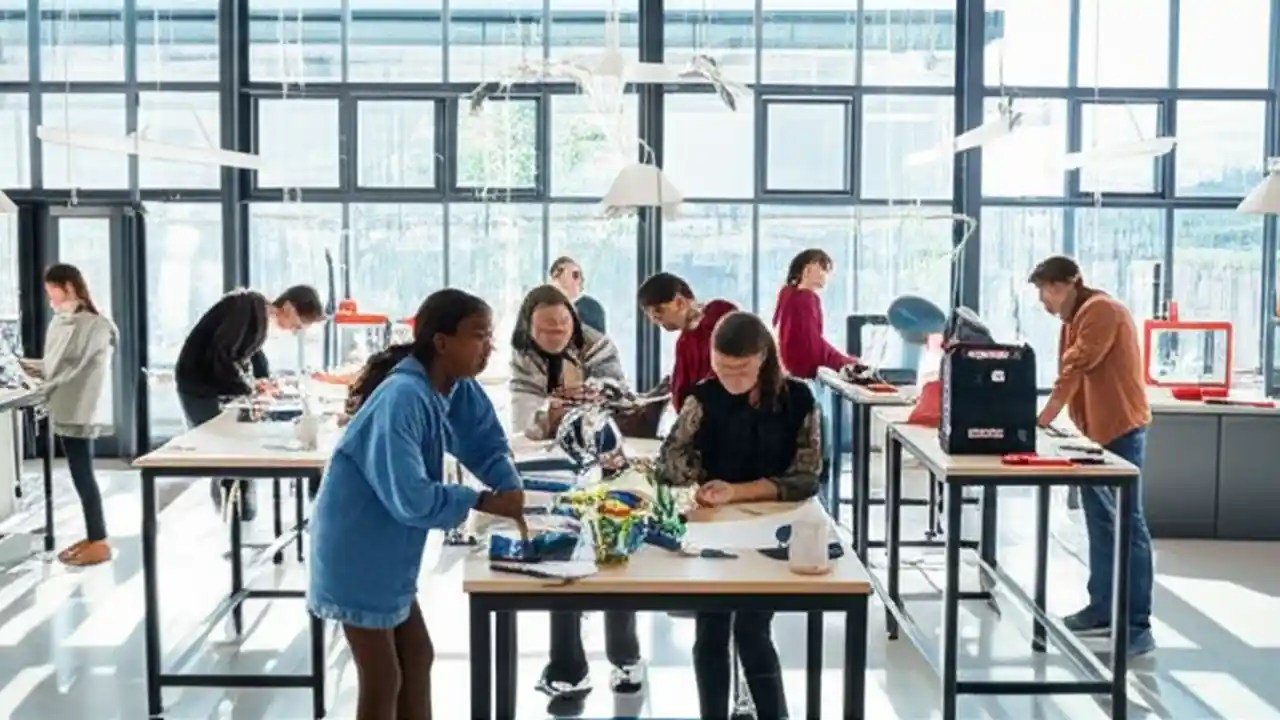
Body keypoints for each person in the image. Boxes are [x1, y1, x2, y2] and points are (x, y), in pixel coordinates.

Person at [308, 288, 527, 720]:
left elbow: (484, 440)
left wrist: (509, 485)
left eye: (490, 338)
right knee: (383, 675)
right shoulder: (402, 397)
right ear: (441, 342)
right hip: (356, 550)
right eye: (478, 336)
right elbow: (411, 497)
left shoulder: (454, 386)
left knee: (417, 656)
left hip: (387, 552)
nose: (488, 348)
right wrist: (484, 499)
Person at [657, 311, 822, 719]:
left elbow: (806, 477)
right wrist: (697, 473)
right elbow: (668, 462)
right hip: (716, 525)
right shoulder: (704, 397)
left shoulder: (797, 399)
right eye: (722, 367)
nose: (731, 378)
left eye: (741, 368)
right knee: (711, 627)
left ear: (763, 357)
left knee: (752, 628)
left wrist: (737, 491)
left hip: (775, 526)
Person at [507, 285, 644, 700]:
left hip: (604, 460)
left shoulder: (597, 343)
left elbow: (617, 394)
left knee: (614, 555)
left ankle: (626, 657)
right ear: (529, 326)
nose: (556, 334)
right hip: (550, 468)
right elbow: (523, 418)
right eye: (546, 328)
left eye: (563, 324)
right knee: (559, 560)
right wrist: (550, 411)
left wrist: (583, 399)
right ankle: (567, 665)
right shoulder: (522, 352)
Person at [1029, 255, 1155, 657]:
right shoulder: (1074, 319)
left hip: (1119, 430)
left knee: (1127, 525)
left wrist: (1043, 418)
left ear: (1068, 283)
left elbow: (1077, 366)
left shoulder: (1100, 311)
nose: (1044, 301)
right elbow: (1069, 371)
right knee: (1101, 523)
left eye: (1047, 290)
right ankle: (1102, 607)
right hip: (1094, 434)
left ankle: (1137, 624)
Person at [174, 285, 325, 521]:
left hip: (210, 384)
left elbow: (252, 352)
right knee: (221, 451)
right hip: (199, 385)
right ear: (287, 307)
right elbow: (222, 353)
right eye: (297, 325)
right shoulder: (245, 307)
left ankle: (241, 512)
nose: (295, 332)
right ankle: (232, 516)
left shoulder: (255, 313)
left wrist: (263, 380)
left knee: (235, 447)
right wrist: (250, 387)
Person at [22, 264, 117, 567]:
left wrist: (45, 384)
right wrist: (25, 367)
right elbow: (55, 363)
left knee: (83, 474)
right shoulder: (62, 322)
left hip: (80, 409)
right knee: (79, 474)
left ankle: (99, 538)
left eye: (53, 290)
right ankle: (94, 535)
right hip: (64, 407)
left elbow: (74, 367)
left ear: (69, 287)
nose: (50, 297)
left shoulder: (96, 325)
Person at [636, 272, 737, 412]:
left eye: (659, 310)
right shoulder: (683, 344)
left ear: (679, 302)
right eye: (651, 315)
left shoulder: (721, 314)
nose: (654, 319)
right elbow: (680, 395)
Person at [772, 248, 859, 379]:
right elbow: (813, 346)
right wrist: (845, 362)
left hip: (790, 366)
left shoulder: (788, 294)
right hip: (805, 368)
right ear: (807, 270)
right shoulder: (807, 299)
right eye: (822, 269)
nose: (825, 275)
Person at [549, 256, 607, 334]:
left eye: (576, 274)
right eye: (558, 273)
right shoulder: (547, 307)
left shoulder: (593, 308)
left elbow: (599, 341)